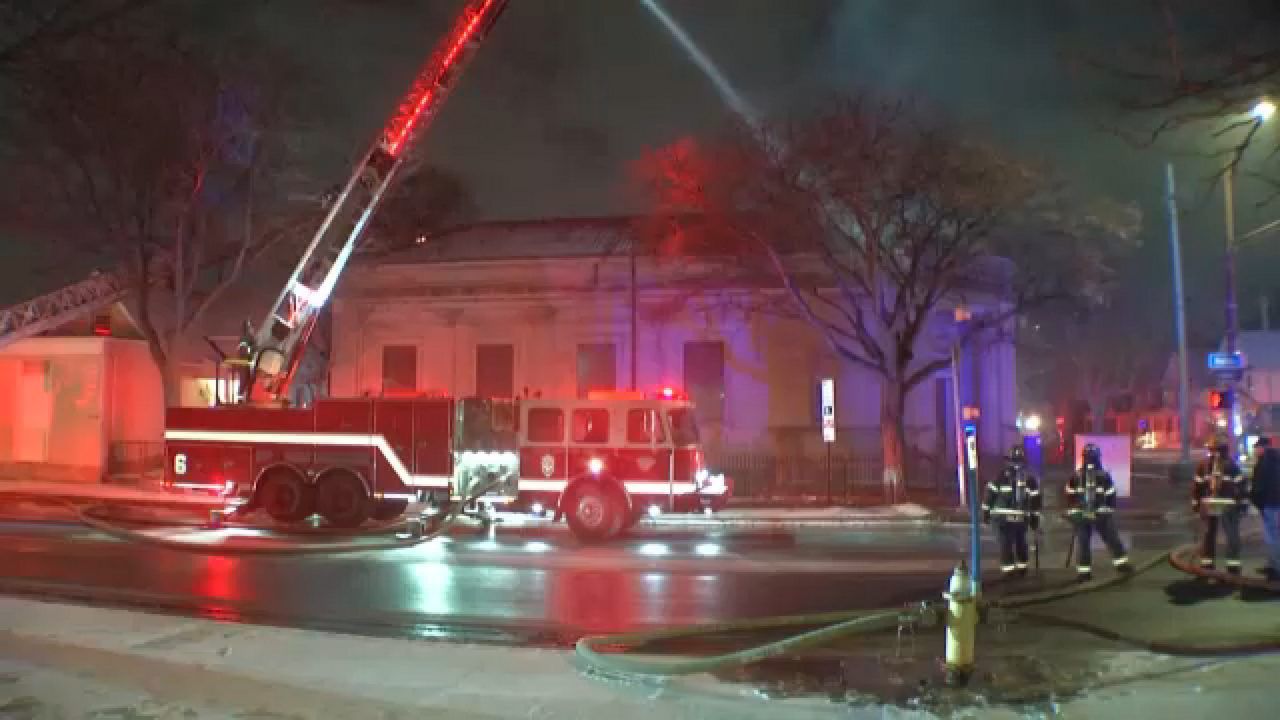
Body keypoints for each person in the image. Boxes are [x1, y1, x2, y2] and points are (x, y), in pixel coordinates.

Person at [1065, 443, 1131, 581]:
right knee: (1112, 539)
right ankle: (1121, 565)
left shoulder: (1076, 476)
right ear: (1098, 458)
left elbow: (1069, 496)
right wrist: (1108, 510)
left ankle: (1084, 573)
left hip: (1084, 514)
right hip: (1101, 514)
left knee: (1083, 543)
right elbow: (1111, 496)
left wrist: (1073, 511)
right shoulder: (1104, 476)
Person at [982, 443, 1042, 579]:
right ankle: (1022, 571)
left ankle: (1009, 573)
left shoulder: (1000, 476)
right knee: (1021, 542)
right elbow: (1035, 502)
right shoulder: (1030, 479)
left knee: (1006, 544)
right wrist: (1034, 520)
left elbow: (989, 496)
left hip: (1002, 519)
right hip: (1020, 518)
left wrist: (985, 515)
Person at [1192, 440, 1247, 574]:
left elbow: (1197, 486)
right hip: (1228, 505)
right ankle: (1233, 566)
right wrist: (1243, 504)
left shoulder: (1203, 465)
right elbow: (1241, 486)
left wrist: (1196, 504)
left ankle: (1207, 564)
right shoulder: (1232, 466)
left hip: (1209, 504)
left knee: (1208, 535)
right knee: (1232, 535)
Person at [1250, 436, 1280, 581]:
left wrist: (1255, 500)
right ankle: (1273, 564)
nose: (1255, 450)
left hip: (1270, 504)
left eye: (1256, 447)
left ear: (1263, 447)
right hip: (1274, 503)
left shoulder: (1264, 463)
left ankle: (1275, 569)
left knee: (1272, 537)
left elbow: (1259, 487)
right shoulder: (1275, 460)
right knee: (1274, 535)